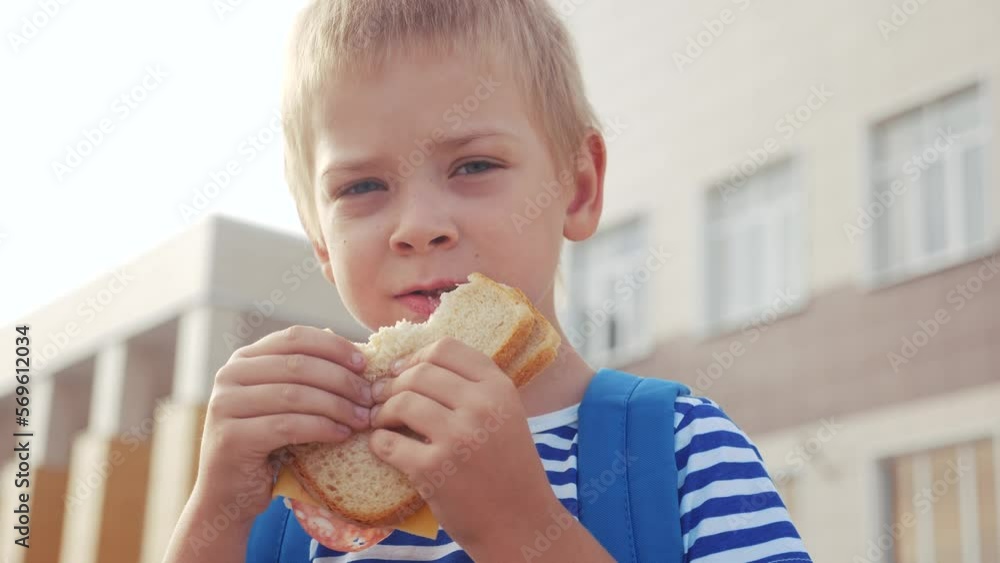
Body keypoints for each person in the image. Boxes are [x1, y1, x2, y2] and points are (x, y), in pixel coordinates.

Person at [163, 1, 813, 561]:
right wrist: (215, 509)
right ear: (320, 243)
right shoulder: (296, 492)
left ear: (578, 187)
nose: (417, 226)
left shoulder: (682, 449)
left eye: (473, 165)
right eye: (362, 186)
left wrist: (520, 529)